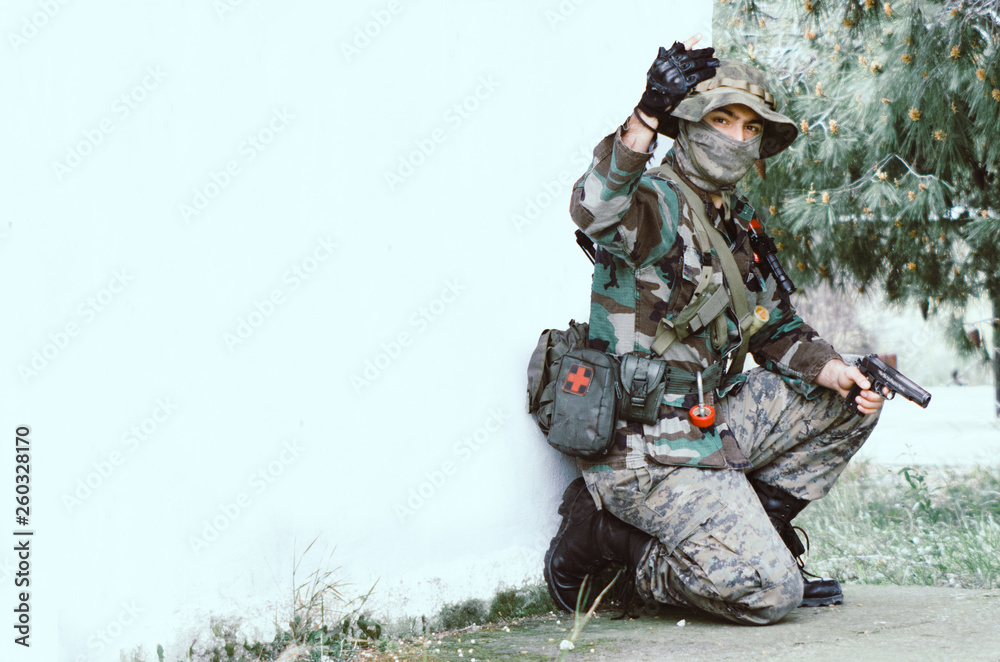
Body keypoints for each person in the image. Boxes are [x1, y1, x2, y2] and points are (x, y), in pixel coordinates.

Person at [542, 36, 887, 626]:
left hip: (706, 421)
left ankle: (762, 538)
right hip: (642, 450)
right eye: (722, 119)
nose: (738, 137)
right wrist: (647, 115)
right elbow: (594, 209)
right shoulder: (655, 204)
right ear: (690, 126)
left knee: (849, 403)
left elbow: (774, 329)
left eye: (751, 128)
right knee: (771, 596)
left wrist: (838, 373)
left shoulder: (739, 224)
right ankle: (607, 539)